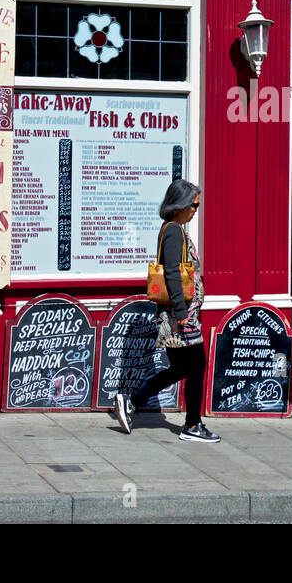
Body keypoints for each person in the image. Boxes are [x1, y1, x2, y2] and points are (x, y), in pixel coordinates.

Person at [112, 179, 220, 443]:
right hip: (181, 314)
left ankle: (131, 400)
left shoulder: (174, 229)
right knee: (196, 366)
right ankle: (193, 425)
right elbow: (172, 271)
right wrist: (182, 311)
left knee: (181, 367)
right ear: (180, 204)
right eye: (193, 205)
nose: (195, 210)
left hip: (179, 312)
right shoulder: (174, 231)